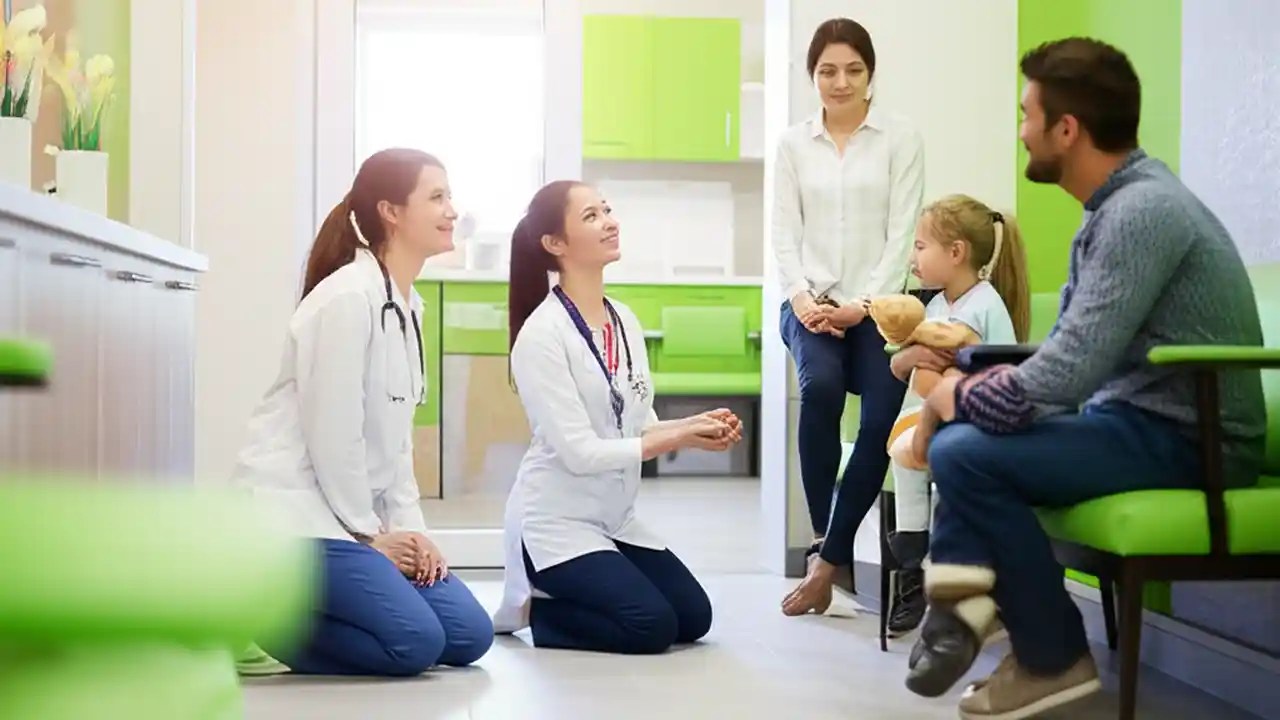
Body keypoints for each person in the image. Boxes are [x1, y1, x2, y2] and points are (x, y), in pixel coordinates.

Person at [905, 38, 1266, 719]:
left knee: (966, 453)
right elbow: (1074, 353)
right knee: (962, 448)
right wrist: (960, 402)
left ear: (1065, 129)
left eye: (1026, 114)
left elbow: (1067, 372)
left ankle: (1038, 651)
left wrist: (953, 399)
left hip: (1191, 440)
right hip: (1135, 422)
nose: (1021, 130)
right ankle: (975, 617)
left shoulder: (1141, 214)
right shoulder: (1118, 208)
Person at [231, 149, 494, 677]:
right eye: (437, 197)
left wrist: (416, 536)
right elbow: (335, 439)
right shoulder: (345, 300)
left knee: (468, 634)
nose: (452, 210)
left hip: (351, 521)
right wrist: (370, 537)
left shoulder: (406, 306)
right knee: (415, 644)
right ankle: (250, 615)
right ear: (391, 211)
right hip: (295, 519)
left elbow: (397, 445)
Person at [492, 180, 741, 654]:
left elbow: (637, 421)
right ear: (554, 244)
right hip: (556, 524)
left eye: (606, 209)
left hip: (614, 519)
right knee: (650, 626)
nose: (610, 221)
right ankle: (542, 611)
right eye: (590, 216)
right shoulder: (542, 335)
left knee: (693, 617)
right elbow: (581, 452)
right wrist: (677, 436)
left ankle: (589, 587)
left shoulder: (623, 319)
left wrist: (696, 429)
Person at [772, 17, 926, 615]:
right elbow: (784, 233)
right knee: (823, 387)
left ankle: (832, 559)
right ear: (812, 76)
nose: (840, 82)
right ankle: (820, 540)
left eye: (853, 70)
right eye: (827, 71)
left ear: (870, 74)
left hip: (878, 307)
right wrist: (804, 299)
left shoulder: (900, 138)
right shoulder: (792, 144)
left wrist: (865, 305)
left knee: (883, 420)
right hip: (808, 304)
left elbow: (903, 229)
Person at [881, 195, 1029, 639]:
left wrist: (938, 365)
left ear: (956, 252)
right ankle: (913, 562)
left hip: (971, 421)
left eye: (922, 246)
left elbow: (990, 373)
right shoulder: (934, 307)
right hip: (927, 416)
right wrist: (919, 357)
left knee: (944, 459)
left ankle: (946, 569)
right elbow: (899, 365)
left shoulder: (985, 306)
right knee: (902, 449)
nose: (913, 257)